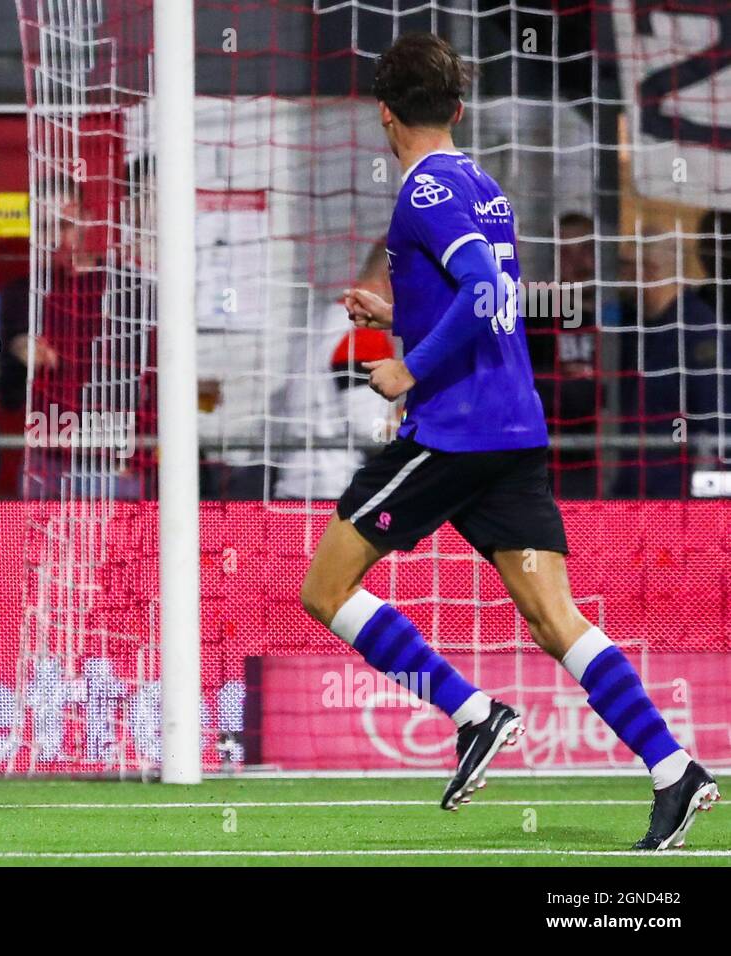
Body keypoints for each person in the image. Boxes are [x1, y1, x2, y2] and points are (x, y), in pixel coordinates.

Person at [299, 33, 717, 849]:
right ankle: (676, 770)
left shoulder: (420, 193)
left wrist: (408, 366)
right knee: (552, 615)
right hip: (515, 427)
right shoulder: (483, 186)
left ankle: (472, 712)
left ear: (385, 115)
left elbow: (486, 289)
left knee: (325, 589)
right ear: (455, 109)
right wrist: (400, 314)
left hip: (454, 433)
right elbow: (490, 298)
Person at [274, 239, 396, 500]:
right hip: (336, 496)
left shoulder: (320, 322)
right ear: (393, 276)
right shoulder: (364, 334)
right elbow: (371, 430)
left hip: (295, 486)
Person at [611, 228, 723, 498]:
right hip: (627, 489)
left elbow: (714, 422)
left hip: (676, 497)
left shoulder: (699, 331)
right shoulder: (628, 326)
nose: (618, 275)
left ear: (651, 270)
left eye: (626, 266)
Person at [524, 212, 603, 497]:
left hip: (613, 458)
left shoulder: (623, 315)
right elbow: (525, 387)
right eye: (565, 252)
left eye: (585, 249)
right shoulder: (536, 316)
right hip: (555, 464)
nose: (578, 262)